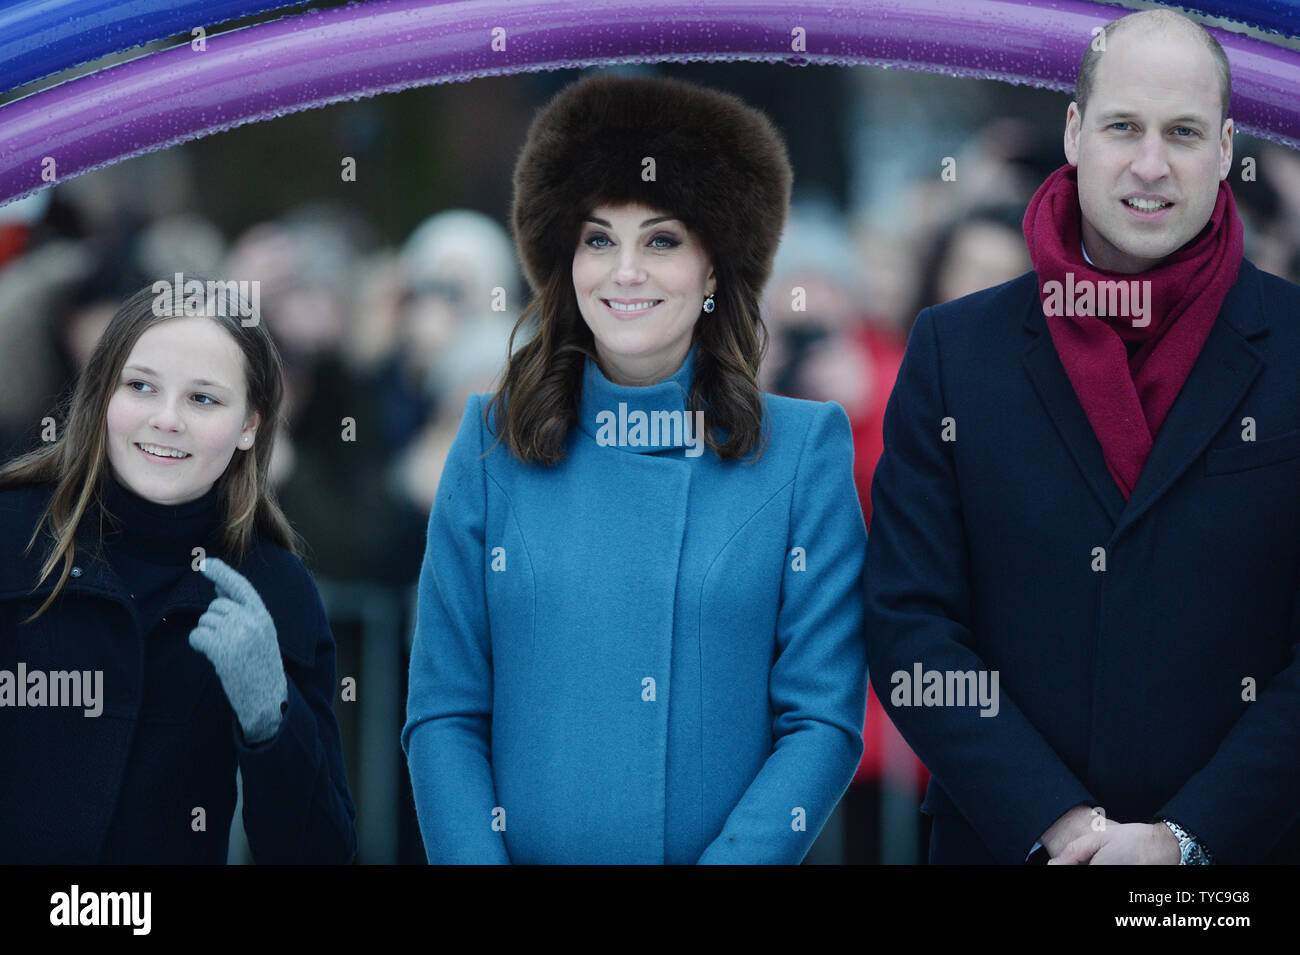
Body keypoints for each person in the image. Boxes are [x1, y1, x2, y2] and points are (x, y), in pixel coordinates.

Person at [865, 7, 1300, 865]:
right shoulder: (955, 351)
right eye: (1122, 127)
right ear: (1073, 132)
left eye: (1181, 132)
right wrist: (1062, 825)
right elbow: (909, 624)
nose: (1150, 164)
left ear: (1224, 148)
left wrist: (1185, 840)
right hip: (1006, 845)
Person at [402, 71, 869, 864]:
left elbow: (821, 720)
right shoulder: (488, 443)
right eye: (597, 238)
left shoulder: (802, 450)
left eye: (661, 239)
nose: (625, 271)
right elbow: (445, 713)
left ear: (714, 268)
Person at [0, 282, 357, 863]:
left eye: (204, 399)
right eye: (140, 387)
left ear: (249, 427)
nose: (166, 419)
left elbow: (319, 851)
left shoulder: (272, 587)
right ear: (103, 397)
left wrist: (273, 718)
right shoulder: (12, 534)